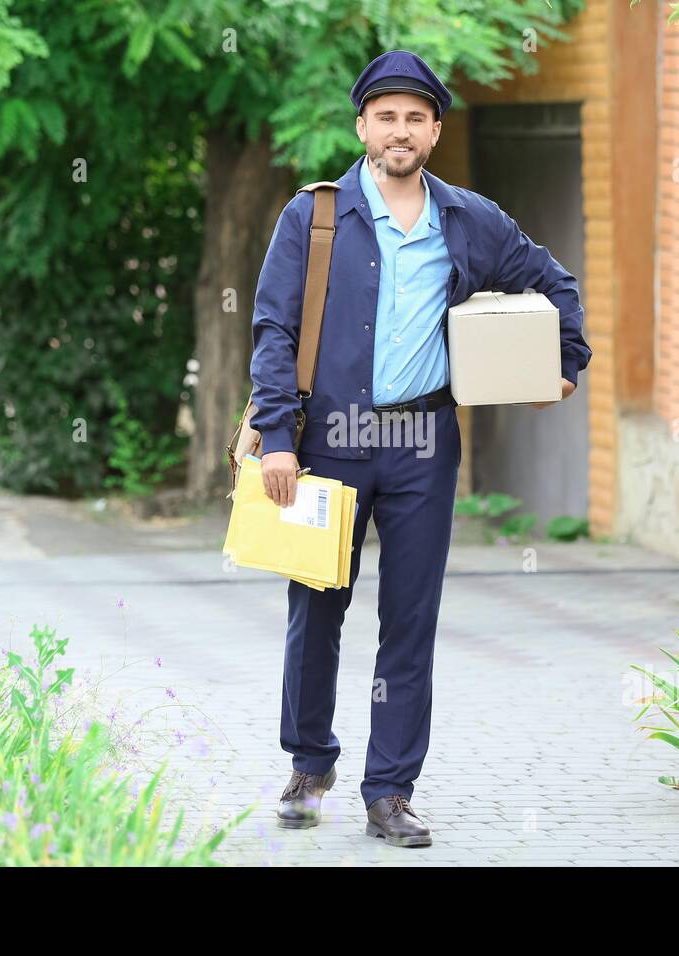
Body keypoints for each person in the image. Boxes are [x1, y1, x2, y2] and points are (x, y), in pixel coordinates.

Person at [248, 49, 592, 847]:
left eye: (415, 117)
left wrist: (562, 367)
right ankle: (309, 763)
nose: (399, 130)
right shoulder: (316, 215)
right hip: (329, 438)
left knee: (409, 618)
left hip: (422, 439)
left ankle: (390, 791)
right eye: (385, 116)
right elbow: (273, 326)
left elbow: (554, 283)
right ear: (363, 126)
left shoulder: (472, 218)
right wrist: (274, 439)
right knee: (316, 608)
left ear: (434, 130)